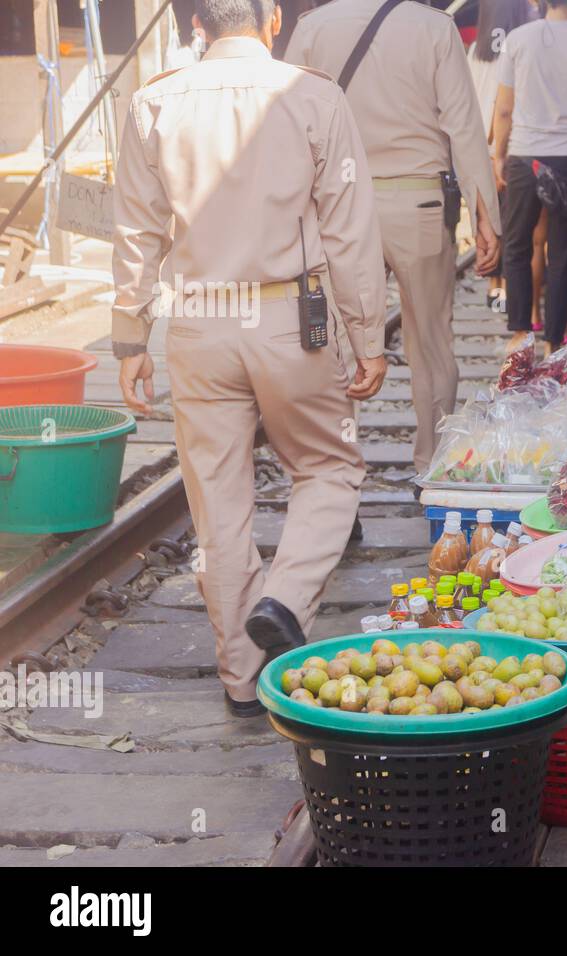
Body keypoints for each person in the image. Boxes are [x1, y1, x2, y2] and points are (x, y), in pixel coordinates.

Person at [113, 0, 388, 716]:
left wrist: (129, 339)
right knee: (329, 467)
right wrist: (368, 334)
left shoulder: (152, 103)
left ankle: (240, 674)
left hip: (198, 323)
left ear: (198, 23)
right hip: (287, 319)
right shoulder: (312, 94)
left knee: (219, 500)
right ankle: (287, 601)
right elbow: (350, 228)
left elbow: (136, 232)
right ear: (270, 20)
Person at [287, 0, 502, 478]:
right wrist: (486, 216)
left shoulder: (311, 29)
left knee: (335, 348)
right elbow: (463, 126)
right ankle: (433, 471)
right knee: (432, 347)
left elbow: (287, 126)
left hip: (339, 208)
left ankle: (334, 480)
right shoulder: (434, 28)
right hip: (419, 205)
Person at [493, 0, 567, 354]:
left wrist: (500, 155)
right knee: (563, 252)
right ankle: (554, 341)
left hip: (524, 155)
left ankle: (519, 334)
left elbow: (503, 108)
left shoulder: (517, 39)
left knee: (516, 245)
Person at [467, 0, 536, 315]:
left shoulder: (473, 54)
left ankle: (495, 293)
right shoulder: (521, 49)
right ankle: (509, 292)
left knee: (489, 222)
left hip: (477, 145)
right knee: (513, 226)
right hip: (507, 144)